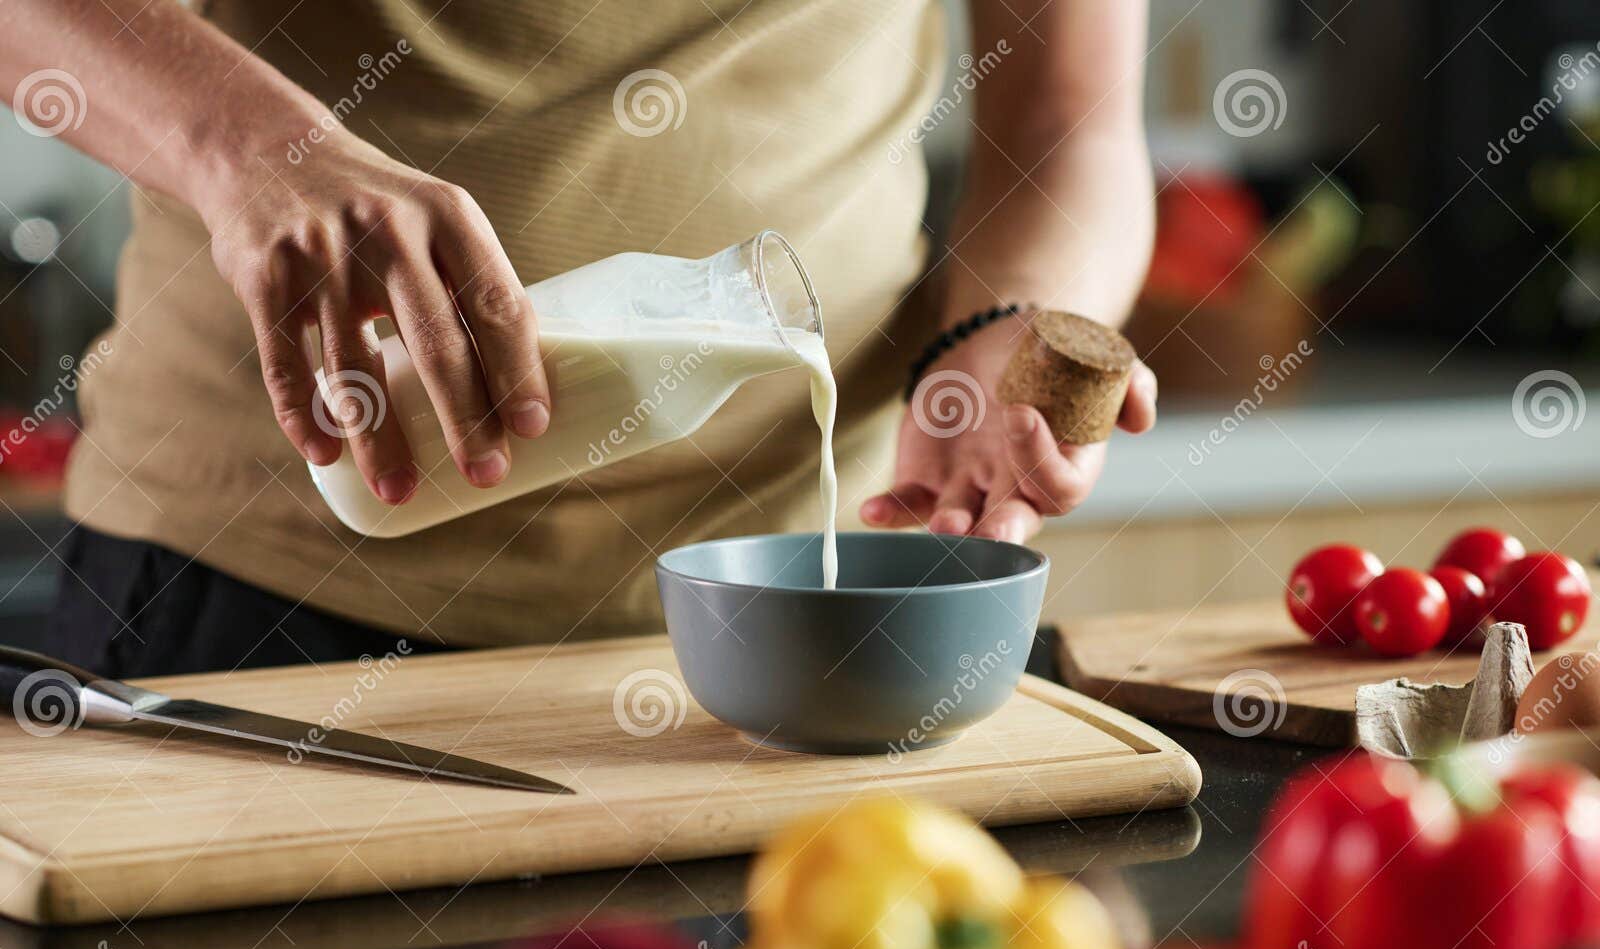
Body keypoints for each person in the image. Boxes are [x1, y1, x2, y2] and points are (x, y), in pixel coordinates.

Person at [1, 0, 1155, 677]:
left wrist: (1017, 318)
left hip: (812, 588)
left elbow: (1071, 116)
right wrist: (243, 145)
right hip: (268, 583)